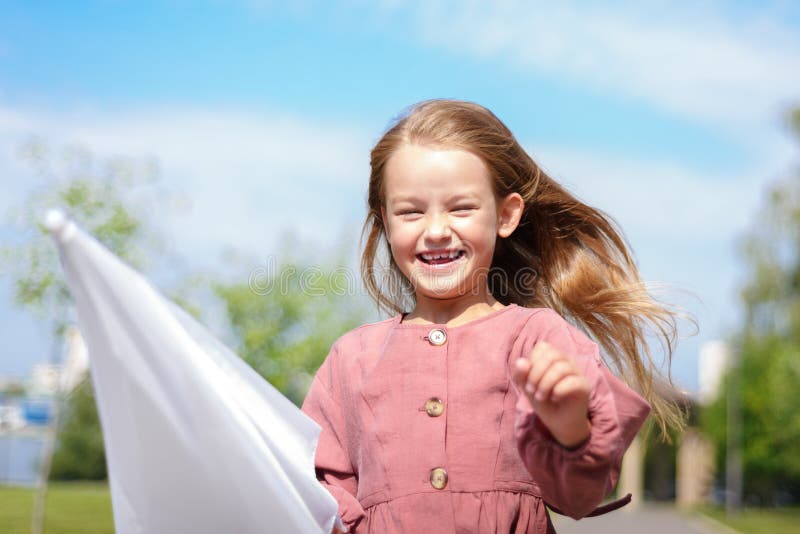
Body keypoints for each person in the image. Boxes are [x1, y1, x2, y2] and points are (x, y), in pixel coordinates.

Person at [301, 99, 683, 533]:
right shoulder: (351, 359)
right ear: (385, 222)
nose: (437, 229)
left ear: (505, 215)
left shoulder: (539, 340)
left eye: (461, 208)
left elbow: (578, 496)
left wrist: (571, 427)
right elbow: (317, 492)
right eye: (411, 211)